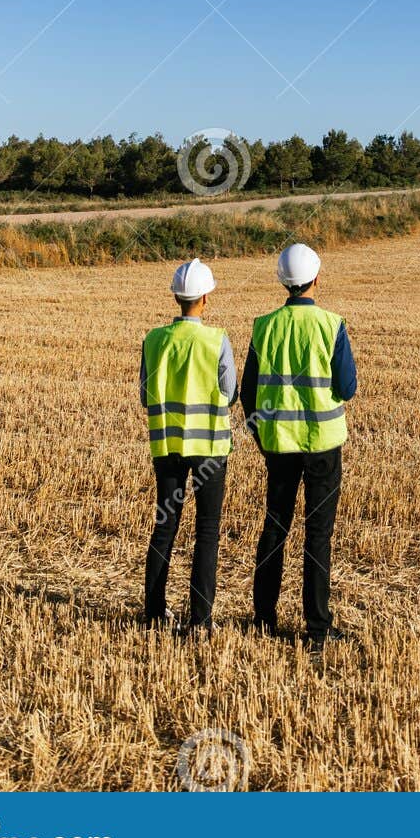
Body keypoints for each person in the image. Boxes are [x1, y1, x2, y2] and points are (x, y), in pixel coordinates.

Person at [241, 242, 357, 648]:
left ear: (282, 282)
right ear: (316, 278)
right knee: (317, 535)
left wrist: (261, 435)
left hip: (278, 446)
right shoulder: (332, 324)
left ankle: (263, 619)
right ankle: (318, 628)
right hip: (323, 445)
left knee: (274, 528)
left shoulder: (263, 327)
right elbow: (347, 387)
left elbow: (248, 394)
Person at [140, 258, 237, 632]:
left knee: (165, 525)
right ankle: (200, 619)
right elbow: (228, 394)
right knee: (207, 530)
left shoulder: (154, 340)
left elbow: (145, 394)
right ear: (205, 298)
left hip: (167, 446)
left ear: (176, 298)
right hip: (210, 446)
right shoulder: (216, 340)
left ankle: (153, 613)